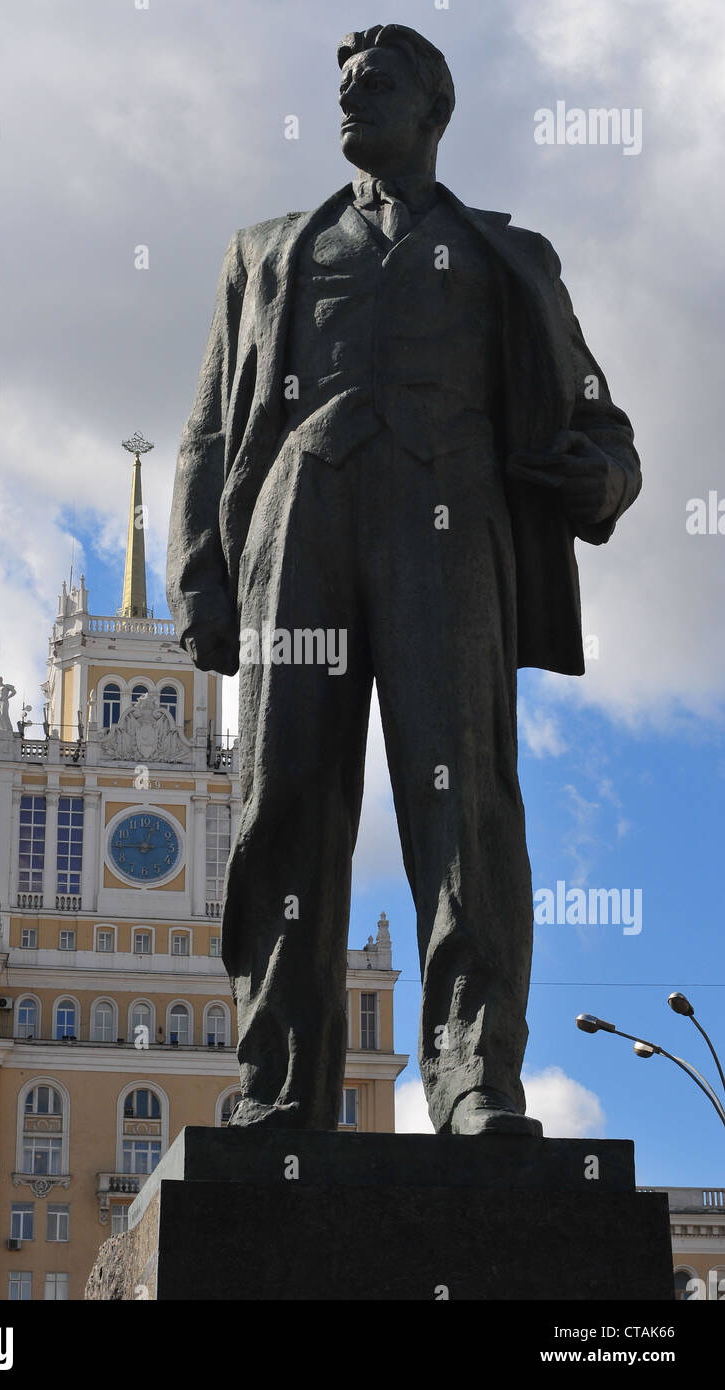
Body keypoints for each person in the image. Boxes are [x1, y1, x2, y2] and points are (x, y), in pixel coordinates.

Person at [166, 24, 641, 1135]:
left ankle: (473, 1078)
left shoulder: (503, 256)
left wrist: (600, 475)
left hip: (449, 532)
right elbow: (203, 430)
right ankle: (282, 1083)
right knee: (284, 798)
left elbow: (595, 415)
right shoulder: (267, 250)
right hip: (300, 525)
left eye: (374, 84)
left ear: (432, 110)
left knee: (462, 800)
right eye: (340, 85)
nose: (349, 99)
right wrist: (202, 576)